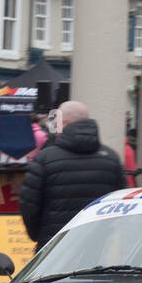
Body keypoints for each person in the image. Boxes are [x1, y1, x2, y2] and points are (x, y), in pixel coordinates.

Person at [19, 100, 123, 248]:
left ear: (64, 122)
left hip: (54, 244)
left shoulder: (45, 158)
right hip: (97, 243)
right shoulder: (111, 157)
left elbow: (29, 204)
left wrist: (37, 234)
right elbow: (120, 203)